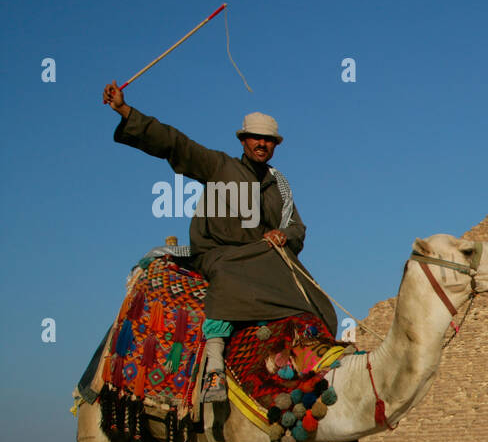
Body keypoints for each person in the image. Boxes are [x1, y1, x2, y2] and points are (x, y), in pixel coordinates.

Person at [100, 82, 336, 401]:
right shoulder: (218, 166)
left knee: (313, 294)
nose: (262, 144)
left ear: (275, 145)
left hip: (264, 258)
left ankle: (306, 361)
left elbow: (297, 227)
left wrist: (284, 234)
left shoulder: (279, 186)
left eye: (268, 140)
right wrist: (126, 111)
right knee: (230, 271)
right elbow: (174, 144)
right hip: (217, 254)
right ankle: (214, 362)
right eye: (256, 137)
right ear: (243, 140)